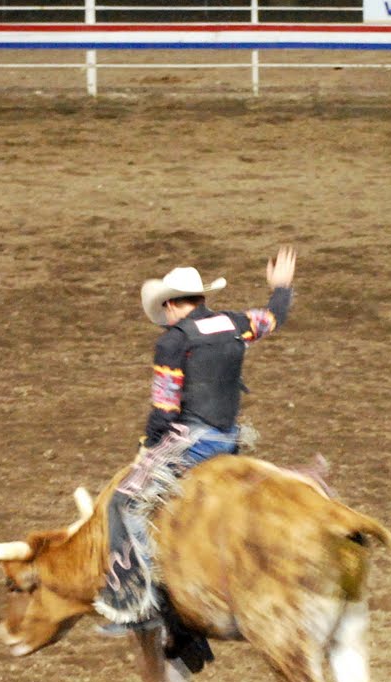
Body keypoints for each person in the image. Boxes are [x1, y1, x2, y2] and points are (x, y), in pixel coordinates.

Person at [95, 246, 297, 635]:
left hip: (193, 443)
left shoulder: (173, 342)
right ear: (201, 299)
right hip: (230, 438)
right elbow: (274, 317)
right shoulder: (235, 324)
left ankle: (140, 600)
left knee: (124, 502)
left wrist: (149, 446)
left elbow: (165, 409)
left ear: (171, 305)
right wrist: (281, 287)